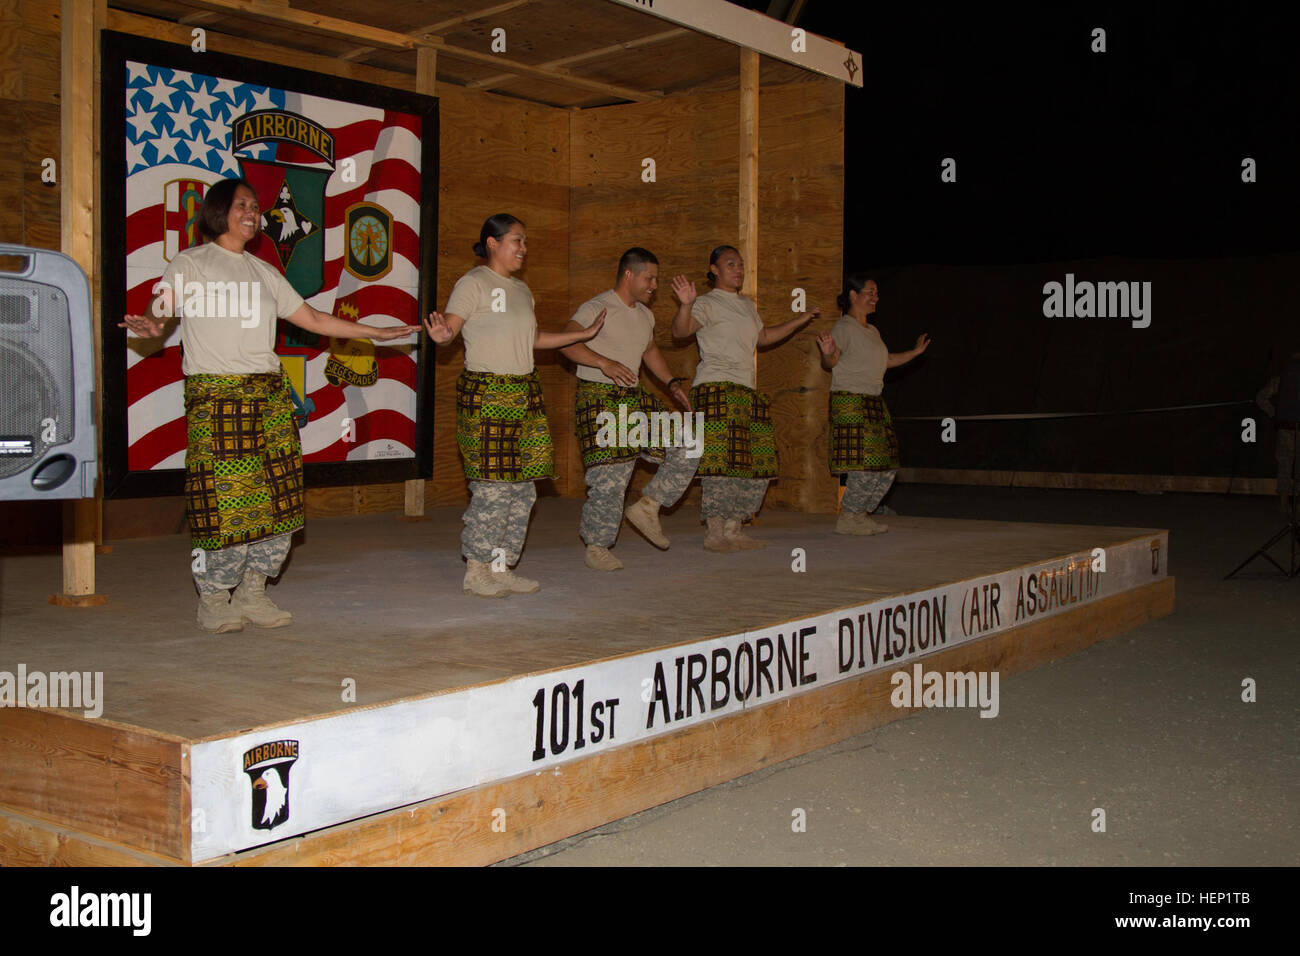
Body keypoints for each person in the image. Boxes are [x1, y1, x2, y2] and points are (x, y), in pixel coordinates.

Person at [120, 178, 419, 633]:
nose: (252, 213)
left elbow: (314, 319)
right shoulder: (190, 263)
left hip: (269, 396)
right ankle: (215, 598)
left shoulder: (265, 272)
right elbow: (161, 310)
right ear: (219, 211)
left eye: (256, 207)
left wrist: (375, 333)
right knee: (224, 501)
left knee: (280, 497)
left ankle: (254, 592)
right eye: (242, 205)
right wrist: (151, 325)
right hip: (217, 397)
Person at [425, 214, 605, 597]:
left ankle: (500, 567)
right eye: (517, 241)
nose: (523, 248)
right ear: (492, 243)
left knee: (523, 489)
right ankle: (476, 571)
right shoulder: (473, 283)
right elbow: (450, 328)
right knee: (493, 487)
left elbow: (532, 337)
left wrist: (583, 334)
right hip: (487, 394)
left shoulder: (523, 290)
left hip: (525, 394)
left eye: (525, 242)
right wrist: (443, 336)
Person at [671, 245, 818, 552]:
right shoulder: (706, 303)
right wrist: (685, 305)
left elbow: (762, 338)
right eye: (730, 264)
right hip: (714, 389)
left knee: (760, 460)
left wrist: (799, 321)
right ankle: (715, 532)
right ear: (714, 270)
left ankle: (735, 527)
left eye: (740, 265)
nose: (738, 270)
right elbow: (681, 331)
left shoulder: (748, 305)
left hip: (745, 390)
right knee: (720, 462)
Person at [560, 248, 699, 571]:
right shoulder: (599, 307)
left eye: (656, 279)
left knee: (690, 441)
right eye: (649, 278)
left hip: (633, 399)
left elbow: (649, 350)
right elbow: (566, 341)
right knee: (612, 476)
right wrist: (602, 362)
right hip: (600, 398)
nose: (654, 285)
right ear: (629, 275)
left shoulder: (645, 315)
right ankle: (597, 546)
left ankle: (648, 506)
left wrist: (672, 383)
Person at [816, 273, 929, 534]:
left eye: (877, 293)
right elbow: (830, 362)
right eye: (870, 292)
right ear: (853, 295)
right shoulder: (843, 328)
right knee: (864, 464)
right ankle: (849, 517)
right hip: (852, 402)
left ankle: (861, 514)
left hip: (874, 402)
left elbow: (886, 360)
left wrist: (914, 353)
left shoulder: (872, 331)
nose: (875, 297)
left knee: (888, 466)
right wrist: (827, 353)